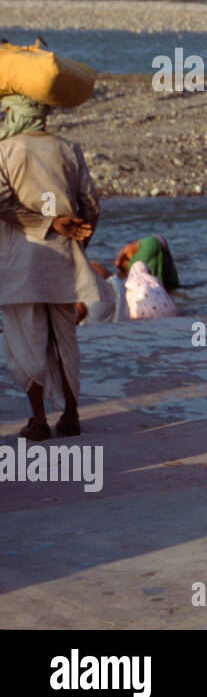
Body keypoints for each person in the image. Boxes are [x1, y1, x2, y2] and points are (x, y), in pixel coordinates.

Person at [0, 93, 107, 441]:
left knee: (25, 339)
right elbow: (90, 205)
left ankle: (39, 420)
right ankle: (72, 415)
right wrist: (75, 239)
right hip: (64, 259)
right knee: (64, 338)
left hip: (20, 262)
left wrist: (50, 224)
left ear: (14, 113)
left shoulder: (4, 150)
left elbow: (2, 205)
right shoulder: (68, 148)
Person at [114, 235, 179, 289]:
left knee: (151, 282)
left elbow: (118, 260)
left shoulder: (126, 258)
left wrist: (118, 262)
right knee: (165, 272)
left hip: (149, 243)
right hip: (156, 239)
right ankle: (171, 287)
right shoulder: (130, 250)